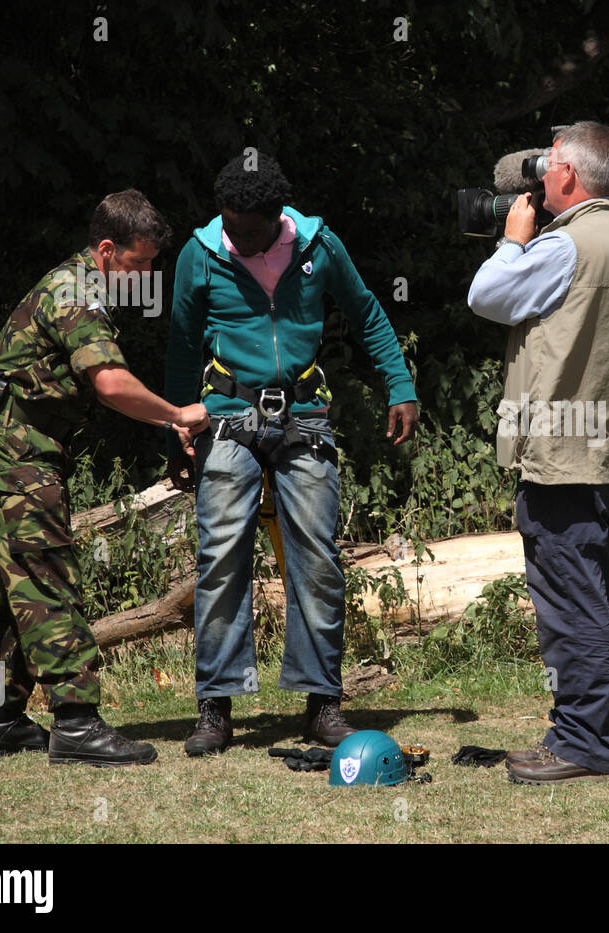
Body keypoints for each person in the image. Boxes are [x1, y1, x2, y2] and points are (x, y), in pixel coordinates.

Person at [165, 151, 418, 756]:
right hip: (227, 416)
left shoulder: (319, 246)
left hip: (304, 415)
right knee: (220, 557)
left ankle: (322, 704)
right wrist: (174, 428)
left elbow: (367, 314)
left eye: (249, 230)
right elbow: (179, 344)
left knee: (317, 557)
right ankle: (215, 709)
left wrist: (400, 384)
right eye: (228, 224)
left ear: (278, 216)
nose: (237, 237)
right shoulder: (201, 254)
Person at [0, 189, 210, 766]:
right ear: (106, 249)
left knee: (18, 583)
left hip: (11, 447)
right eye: (140, 262)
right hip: (11, 453)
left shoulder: (82, 285)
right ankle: (76, 723)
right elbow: (110, 383)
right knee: (47, 580)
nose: (148, 274)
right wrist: (178, 414)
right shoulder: (76, 293)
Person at [467, 121, 609, 784]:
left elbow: (485, 296)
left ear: (570, 176)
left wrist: (514, 242)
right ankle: (582, 729)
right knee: (589, 593)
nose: (538, 180)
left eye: (546, 167)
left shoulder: (565, 246)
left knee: (570, 600)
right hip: (600, 446)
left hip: (557, 449)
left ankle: (583, 742)